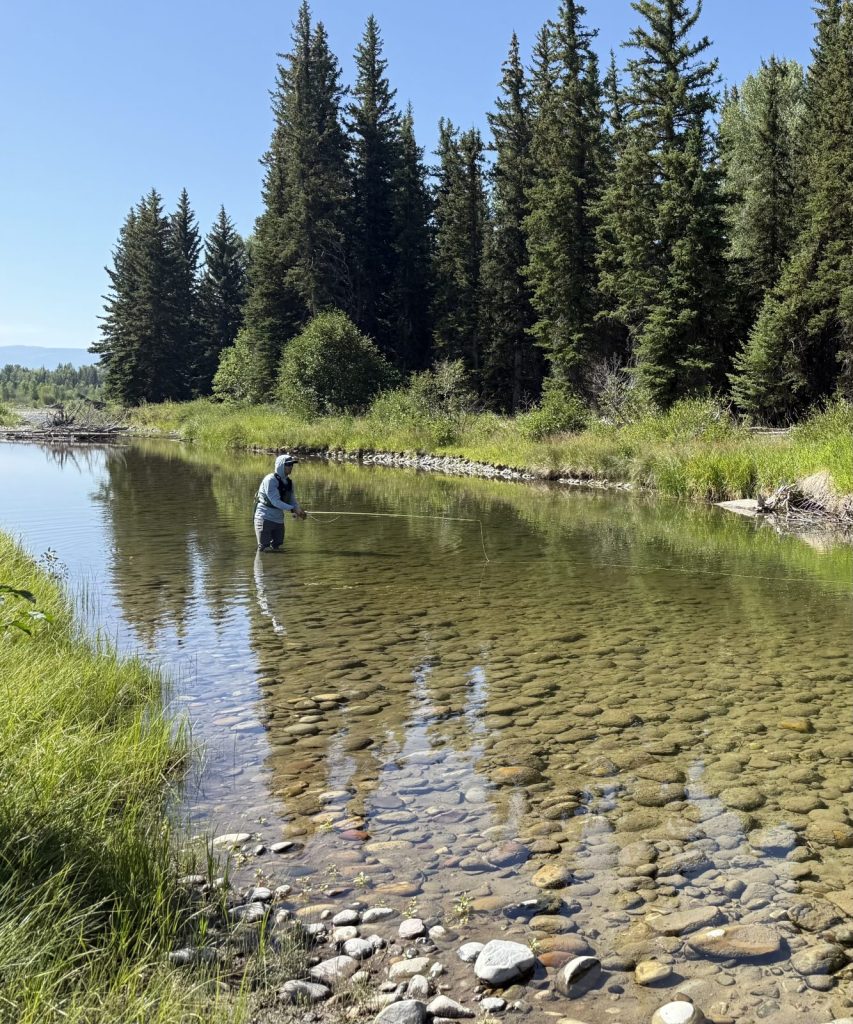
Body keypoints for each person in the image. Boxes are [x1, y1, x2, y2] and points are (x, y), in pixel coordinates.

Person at [254, 453, 306, 552]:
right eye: (288, 464)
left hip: (278, 519)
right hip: (264, 517)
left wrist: (299, 511)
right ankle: (262, 566)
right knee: (264, 548)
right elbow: (275, 501)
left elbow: (292, 500)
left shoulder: (289, 482)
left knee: (277, 546)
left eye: (292, 465)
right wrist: (292, 509)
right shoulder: (270, 480)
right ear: (281, 465)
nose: (291, 467)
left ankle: (277, 566)